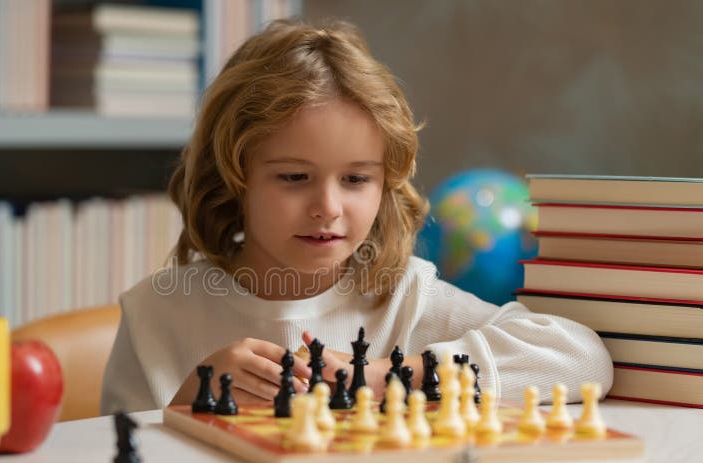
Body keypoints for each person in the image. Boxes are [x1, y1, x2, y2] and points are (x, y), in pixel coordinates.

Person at [100, 19, 612, 414]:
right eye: (294, 177)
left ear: (385, 184)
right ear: (234, 177)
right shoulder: (158, 315)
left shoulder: (405, 299)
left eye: (356, 179)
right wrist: (189, 399)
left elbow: (582, 357)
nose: (329, 206)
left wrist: (392, 376)